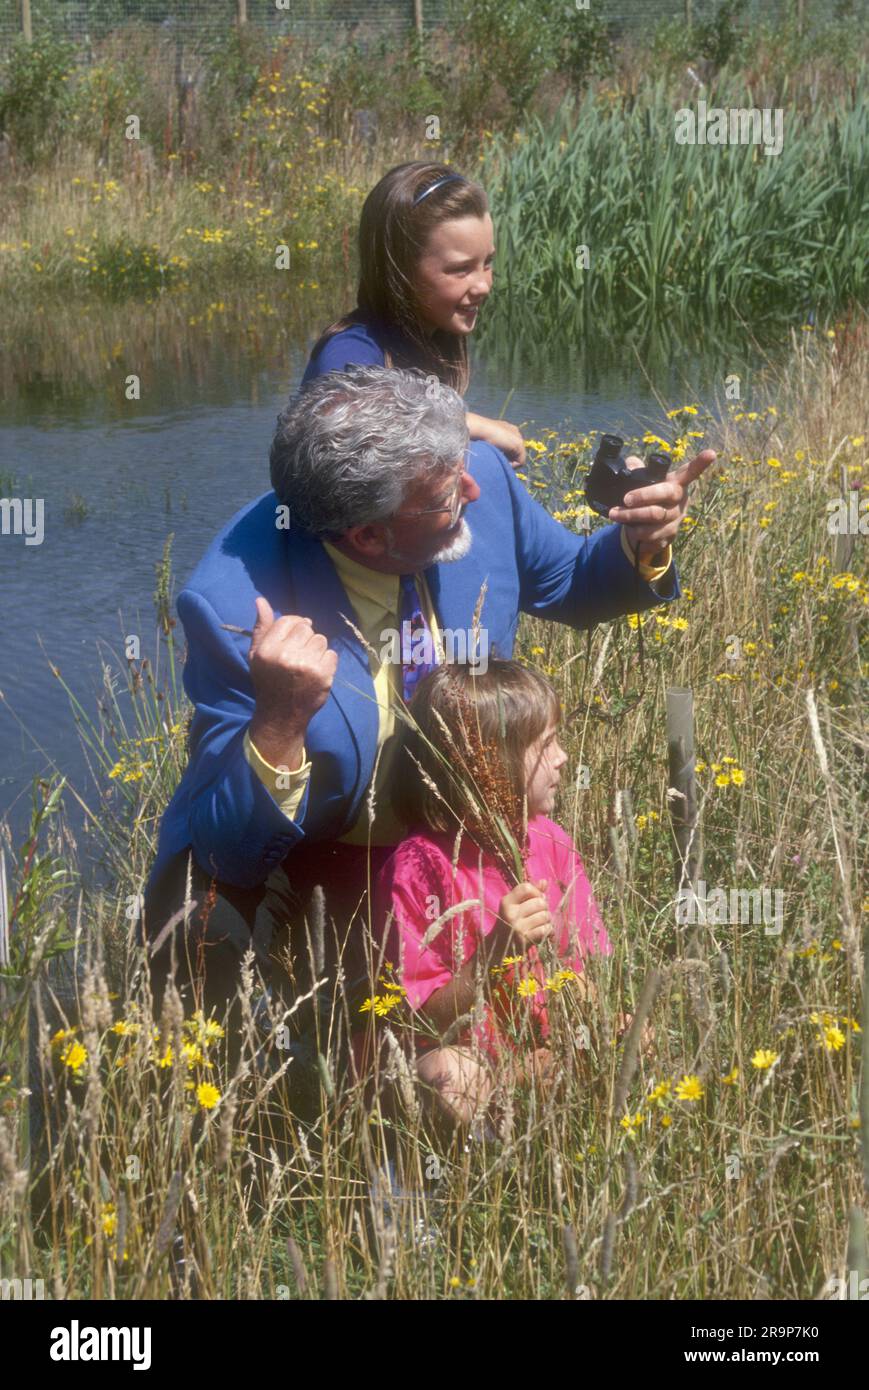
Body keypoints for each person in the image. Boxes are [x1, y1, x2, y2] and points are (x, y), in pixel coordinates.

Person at [141, 364, 713, 1043]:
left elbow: (571, 581)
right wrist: (280, 719)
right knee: (210, 932)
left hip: (457, 842)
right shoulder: (235, 603)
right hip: (326, 853)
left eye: (461, 468)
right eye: (446, 495)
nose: (473, 487)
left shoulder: (477, 484)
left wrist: (637, 545)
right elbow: (233, 850)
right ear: (366, 536)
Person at [368, 660, 612, 1132]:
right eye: (546, 746)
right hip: (466, 1057)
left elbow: (585, 969)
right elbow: (421, 1022)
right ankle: (462, 1175)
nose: (563, 758)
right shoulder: (419, 867)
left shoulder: (554, 844)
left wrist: (589, 1018)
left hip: (542, 1047)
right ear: (489, 766)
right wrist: (494, 955)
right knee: (449, 1078)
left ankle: (563, 1143)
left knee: (634, 1032)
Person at [299, 161, 528, 468]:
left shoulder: (431, 340)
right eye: (460, 269)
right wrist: (471, 424)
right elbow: (355, 420)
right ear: (400, 272)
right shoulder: (350, 347)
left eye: (487, 263)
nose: (484, 285)